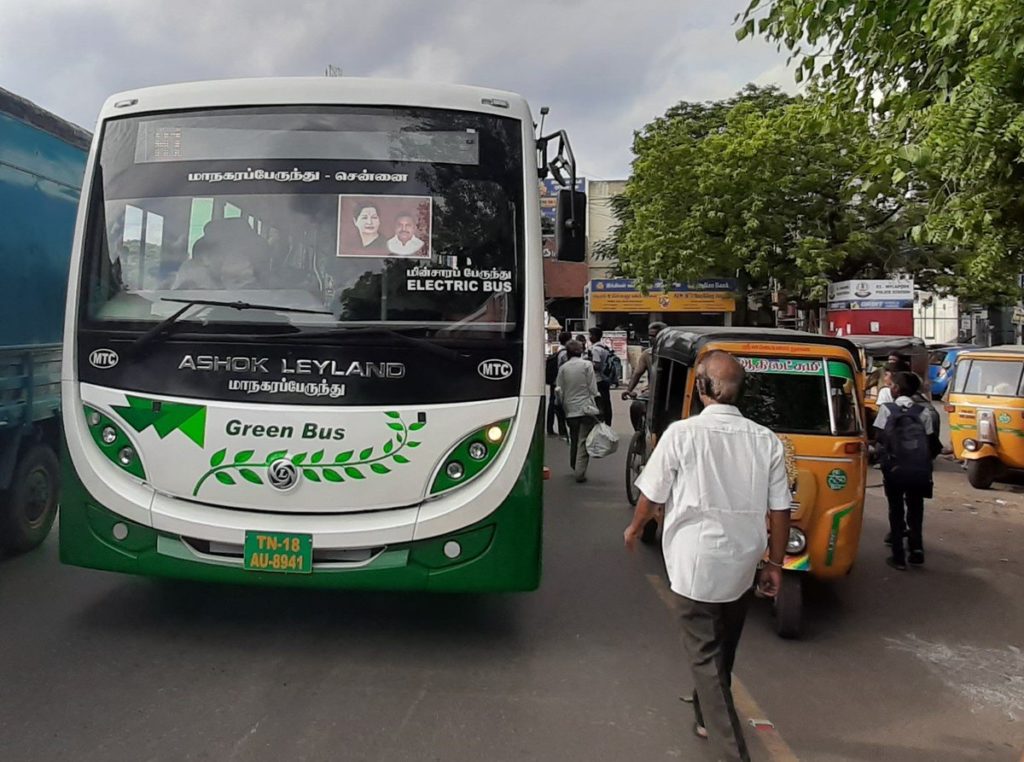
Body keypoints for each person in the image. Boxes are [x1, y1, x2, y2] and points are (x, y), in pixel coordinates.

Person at [623, 350, 791, 762]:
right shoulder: (765, 439)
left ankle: (731, 752)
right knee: (724, 645)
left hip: (695, 561)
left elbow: (652, 494)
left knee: (705, 657)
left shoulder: (682, 434)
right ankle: (702, 714)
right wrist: (774, 563)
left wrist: (634, 527)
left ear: (701, 389)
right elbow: (781, 509)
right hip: (742, 560)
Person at [875, 371, 940, 570]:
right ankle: (916, 550)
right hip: (918, 468)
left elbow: (878, 436)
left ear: (896, 389)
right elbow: (931, 443)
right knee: (915, 507)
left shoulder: (887, 410)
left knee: (895, 509)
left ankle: (898, 556)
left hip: (894, 468)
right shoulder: (924, 411)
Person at [555, 339, 600, 482]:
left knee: (574, 438)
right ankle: (580, 472)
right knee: (583, 440)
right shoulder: (587, 365)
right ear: (581, 351)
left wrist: (561, 404)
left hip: (570, 409)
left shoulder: (563, 368)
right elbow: (593, 389)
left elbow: (559, 389)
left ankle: (574, 464)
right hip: (586, 408)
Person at [622, 321, 666, 432]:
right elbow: (637, 373)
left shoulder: (675, 354)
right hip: (652, 392)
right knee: (636, 406)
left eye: (655, 336)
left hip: (671, 395)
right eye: (650, 336)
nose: (652, 339)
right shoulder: (647, 354)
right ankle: (639, 433)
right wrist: (629, 390)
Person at [545, 331, 571, 439]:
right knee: (559, 406)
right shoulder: (564, 353)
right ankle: (561, 430)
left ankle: (550, 428)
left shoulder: (558, 350)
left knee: (553, 405)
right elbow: (564, 369)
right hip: (559, 382)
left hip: (554, 382)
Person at [588, 326, 614, 426]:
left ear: (594, 336)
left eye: (590, 335)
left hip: (598, 379)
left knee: (600, 403)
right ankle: (608, 424)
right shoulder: (604, 348)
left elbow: (597, 365)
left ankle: (602, 425)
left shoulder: (595, 350)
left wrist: (588, 363)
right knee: (606, 403)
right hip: (605, 378)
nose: (589, 337)